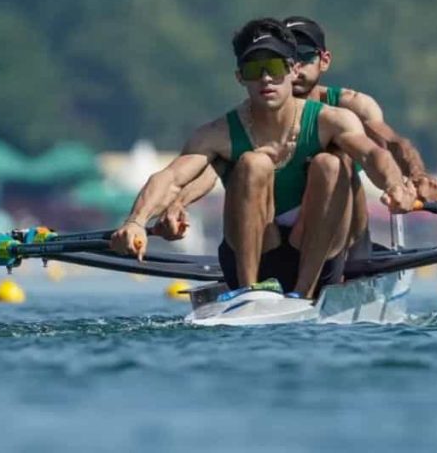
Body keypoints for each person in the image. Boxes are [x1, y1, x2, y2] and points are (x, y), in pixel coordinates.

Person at [110, 18, 416, 299]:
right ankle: (248, 290)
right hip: (254, 256)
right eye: (254, 70)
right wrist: (136, 221)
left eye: (274, 66)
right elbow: (170, 177)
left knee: (330, 164)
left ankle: (303, 292)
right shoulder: (217, 134)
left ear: (293, 70)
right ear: (240, 77)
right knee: (253, 163)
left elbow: (373, 154)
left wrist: (395, 186)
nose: (266, 78)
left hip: (319, 258)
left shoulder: (332, 120)